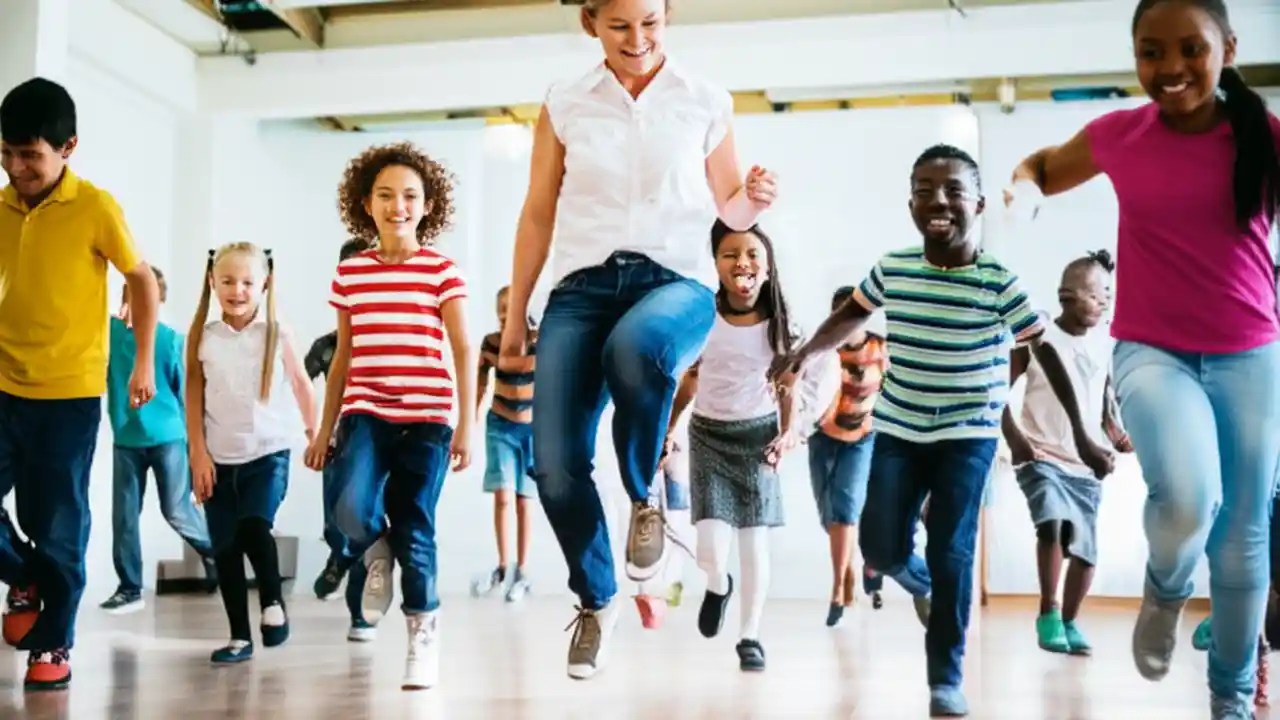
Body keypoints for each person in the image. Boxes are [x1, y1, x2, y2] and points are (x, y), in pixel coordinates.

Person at [1005, 1, 1280, 715]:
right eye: (1151, 52)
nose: (1171, 69)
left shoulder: (1264, 136)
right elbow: (1039, 165)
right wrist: (1024, 194)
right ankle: (1164, 588)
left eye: (1192, 49)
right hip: (1153, 350)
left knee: (1244, 537)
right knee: (1191, 498)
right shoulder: (1120, 135)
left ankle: (1230, 700)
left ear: (1228, 48)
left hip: (1250, 351)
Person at [498, 0, 777, 681]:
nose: (638, 39)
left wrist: (754, 201)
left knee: (638, 348)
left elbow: (728, 206)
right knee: (554, 466)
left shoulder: (704, 98)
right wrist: (515, 317)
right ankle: (597, 598)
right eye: (619, 25)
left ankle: (644, 499)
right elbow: (538, 212)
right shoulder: (566, 101)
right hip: (579, 288)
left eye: (650, 22)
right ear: (590, 22)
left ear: (667, 18)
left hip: (675, 282)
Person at [771, 145, 1095, 717]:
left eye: (952, 190)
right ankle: (917, 583)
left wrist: (1085, 435)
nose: (938, 201)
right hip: (898, 431)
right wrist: (801, 353)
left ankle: (945, 679)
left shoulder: (998, 281)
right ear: (911, 202)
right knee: (880, 547)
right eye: (924, 189)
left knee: (953, 551)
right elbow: (852, 313)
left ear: (978, 202)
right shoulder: (894, 268)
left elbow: (1045, 354)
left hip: (967, 437)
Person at [0, 77, 160, 690]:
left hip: (67, 396)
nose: (18, 168)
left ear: (67, 147)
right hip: (5, 386)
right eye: (8, 154)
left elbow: (140, 280)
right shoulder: (4, 206)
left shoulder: (95, 206)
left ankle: (54, 645)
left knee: (58, 521)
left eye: (31, 155)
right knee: (38, 536)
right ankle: (25, 575)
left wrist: (142, 362)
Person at [304, 142, 473, 691]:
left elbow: (465, 349)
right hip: (366, 410)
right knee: (350, 509)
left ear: (427, 206)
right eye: (385, 195)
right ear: (366, 204)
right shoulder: (351, 274)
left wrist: (468, 425)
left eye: (409, 196)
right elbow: (343, 359)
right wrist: (324, 429)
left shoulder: (442, 271)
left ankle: (421, 636)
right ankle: (375, 550)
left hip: (428, 417)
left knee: (416, 529)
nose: (397, 205)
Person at [665, 221, 828, 672]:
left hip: (757, 436)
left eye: (753, 253)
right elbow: (689, 379)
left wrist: (786, 432)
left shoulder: (781, 324)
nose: (743, 263)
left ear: (768, 266)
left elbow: (787, 383)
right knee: (709, 550)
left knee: (754, 541)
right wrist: (669, 431)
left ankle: (750, 635)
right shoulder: (703, 318)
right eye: (730, 254)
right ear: (715, 265)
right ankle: (719, 585)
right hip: (708, 435)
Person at [187, 242, 316, 664]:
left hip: (268, 452)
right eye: (227, 281)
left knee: (254, 526)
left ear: (265, 285)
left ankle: (273, 603)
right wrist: (198, 454)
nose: (237, 290)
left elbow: (300, 384)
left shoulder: (277, 333)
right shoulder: (204, 338)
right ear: (212, 282)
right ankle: (239, 637)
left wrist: (316, 433)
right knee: (224, 547)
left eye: (247, 282)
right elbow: (194, 393)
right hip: (219, 459)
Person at [1001, 250, 1131, 656]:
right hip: (1042, 457)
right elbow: (995, 394)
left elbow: (1105, 401)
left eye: (1109, 293)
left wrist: (1118, 435)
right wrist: (1016, 440)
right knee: (1053, 524)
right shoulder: (1038, 338)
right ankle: (1049, 612)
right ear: (1066, 296)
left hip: (1086, 465)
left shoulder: (1104, 343)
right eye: (1095, 294)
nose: (1105, 301)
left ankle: (1071, 621)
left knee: (1087, 554)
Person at [102, 267, 217, 615]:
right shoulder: (108, 334)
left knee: (177, 509)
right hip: (126, 438)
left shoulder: (170, 341)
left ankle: (215, 551)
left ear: (159, 302)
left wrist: (196, 446)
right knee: (124, 517)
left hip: (168, 437)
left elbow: (186, 395)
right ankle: (129, 587)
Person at [307, 238, 384, 642]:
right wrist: (316, 434)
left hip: (380, 444)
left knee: (364, 523)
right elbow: (297, 387)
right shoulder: (325, 347)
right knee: (337, 522)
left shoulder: (390, 335)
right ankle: (338, 556)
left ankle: (360, 614)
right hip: (339, 443)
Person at [806, 286, 889, 627]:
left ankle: (839, 589)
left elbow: (896, 390)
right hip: (821, 436)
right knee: (828, 515)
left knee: (845, 508)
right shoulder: (822, 349)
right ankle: (853, 564)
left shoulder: (881, 348)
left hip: (862, 438)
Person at [471, 286, 537, 603]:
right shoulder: (490, 342)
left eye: (510, 308)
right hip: (500, 423)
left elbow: (541, 373)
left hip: (533, 428)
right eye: (500, 308)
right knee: (503, 496)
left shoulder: (541, 340)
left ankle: (522, 571)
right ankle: (502, 566)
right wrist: (469, 415)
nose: (503, 314)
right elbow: (481, 379)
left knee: (525, 500)